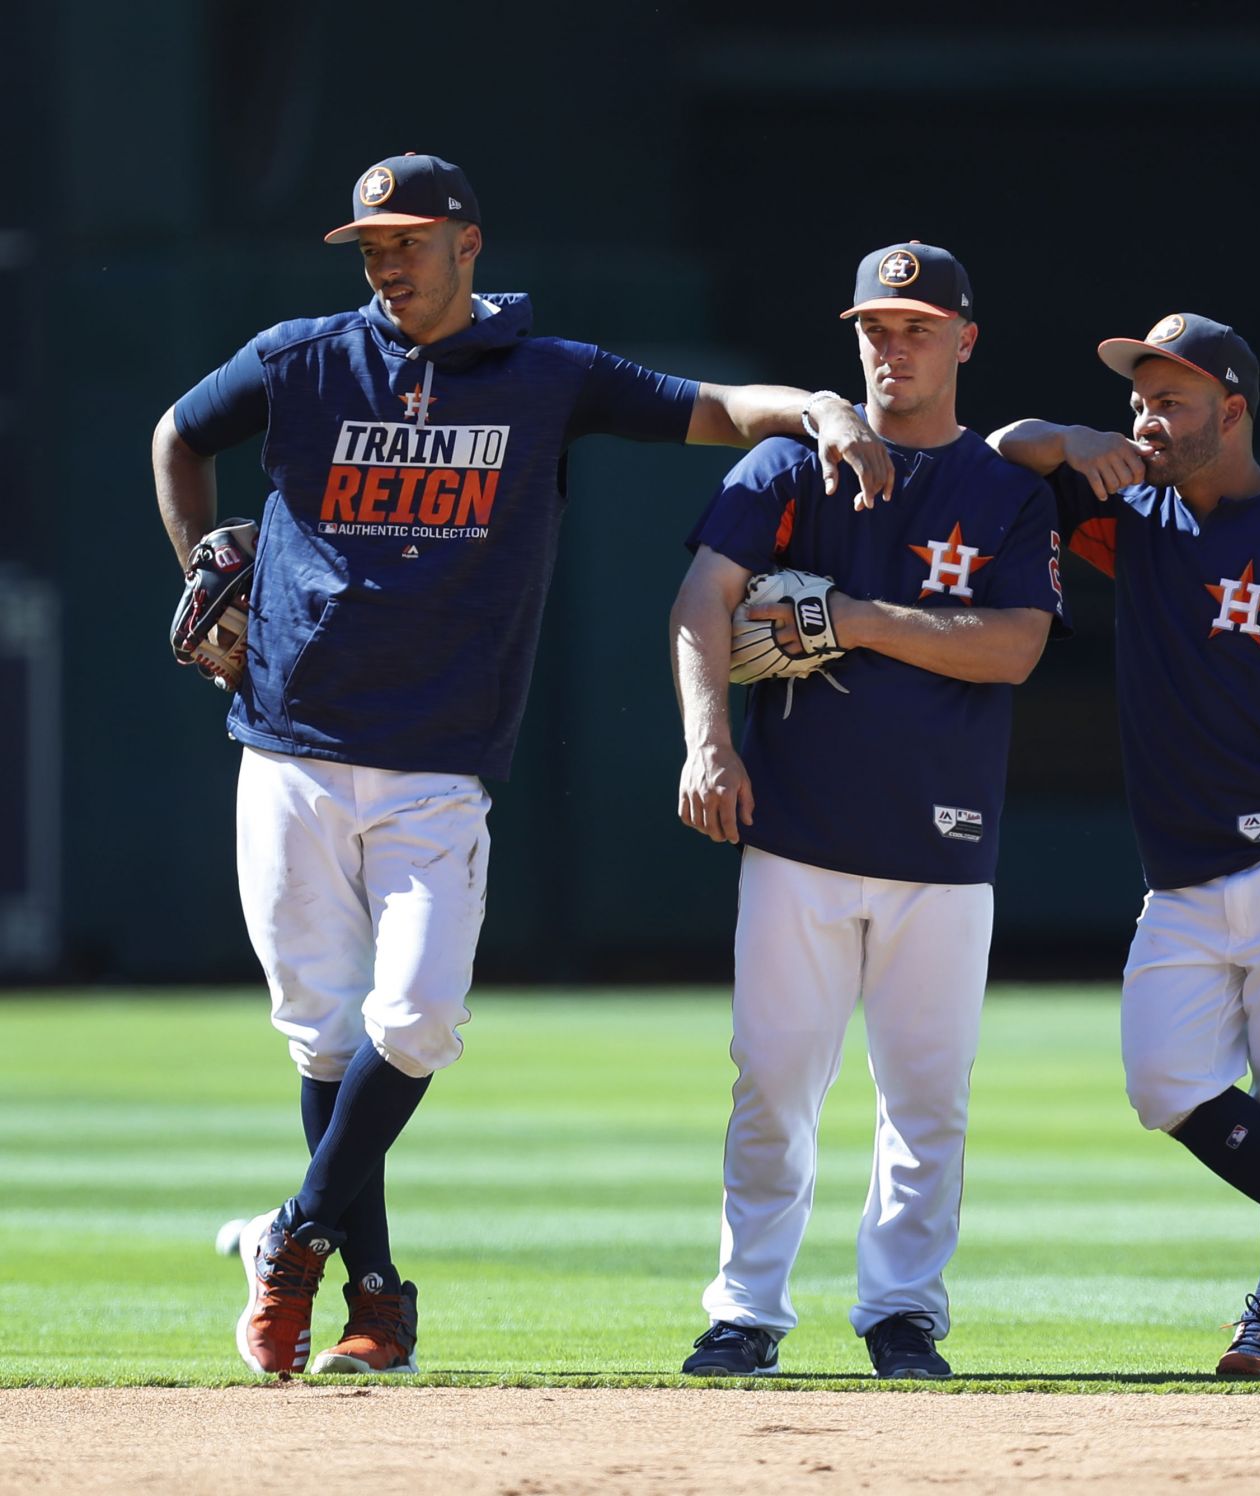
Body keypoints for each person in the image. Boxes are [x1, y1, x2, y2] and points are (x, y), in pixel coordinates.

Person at [151, 152, 894, 1378]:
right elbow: (179, 434)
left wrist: (817, 405)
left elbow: (710, 406)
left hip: (439, 764)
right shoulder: (305, 356)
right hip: (287, 747)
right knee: (327, 1042)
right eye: (370, 246)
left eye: (407, 240)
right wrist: (200, 568)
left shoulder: (547, 376)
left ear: (467, 245)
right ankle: (374, 1296)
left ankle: (291, 1235)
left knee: (420, 1017)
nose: (386, 262)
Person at [991, 313, 1260, 1379]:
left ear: (1230, 412)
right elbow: (1000, 449)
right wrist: (1067, 436)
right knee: (1161, 1079)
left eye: (1170, 399)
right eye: (1137, 397)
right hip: (1181, 871)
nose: (1145, 416)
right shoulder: (1132, 514)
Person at [669, 241, 1064, 1380]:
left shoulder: (1001, 494)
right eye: (874, 329)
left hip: (943, 844)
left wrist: (852, 617)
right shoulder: (792, 471)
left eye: (916, 326)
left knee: (926, 1099)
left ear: (963, 339)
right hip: (794, 830)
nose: (893, 346)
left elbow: (1016, 646)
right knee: (772, 1083)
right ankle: (745, 1309)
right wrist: (707, 740)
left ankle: (901, 1310)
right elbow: (702, 599)